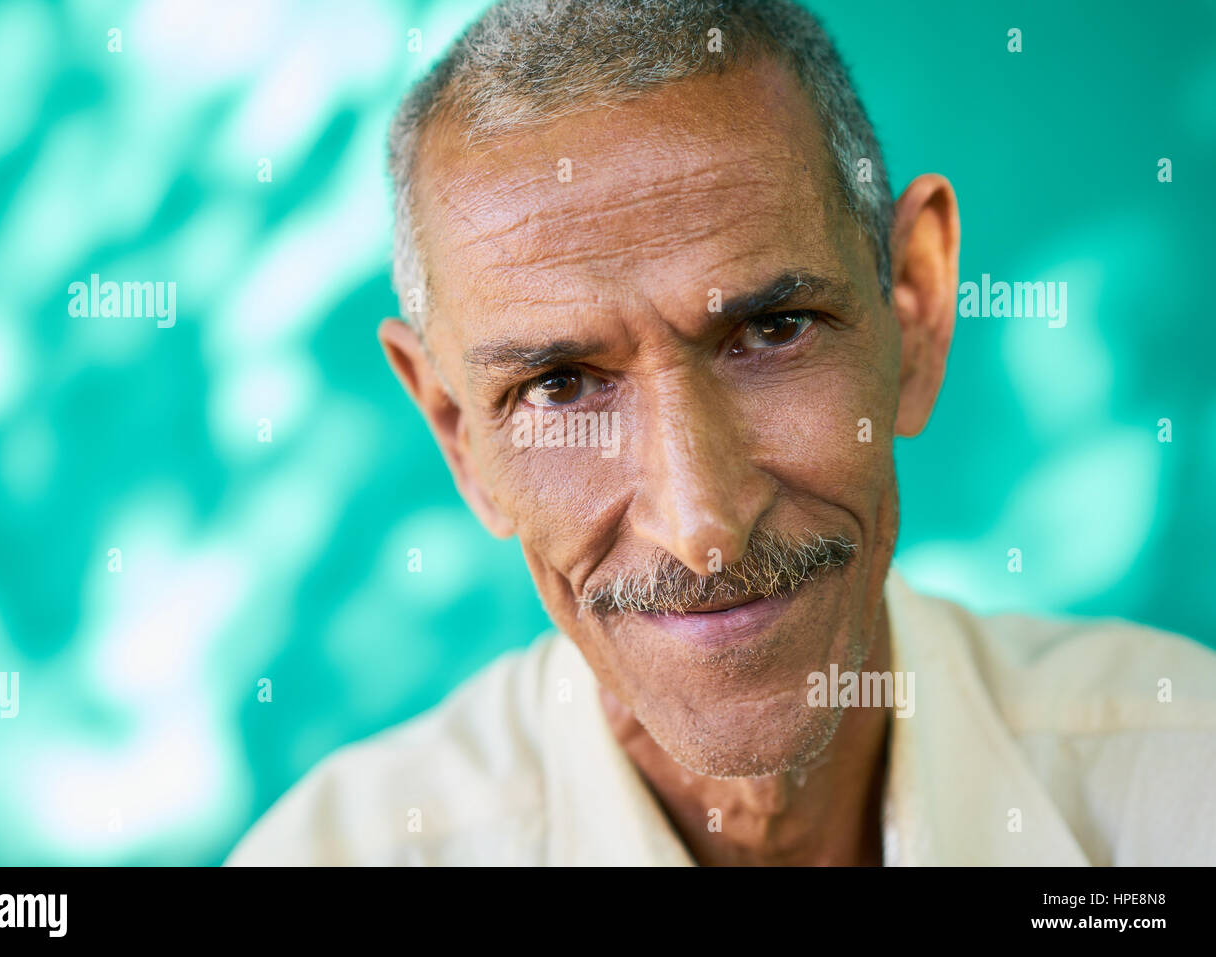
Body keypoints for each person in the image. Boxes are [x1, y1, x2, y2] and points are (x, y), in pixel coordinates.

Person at [227, 0, 1216, 866]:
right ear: (455, 436)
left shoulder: (1182, 788)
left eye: (772, 331)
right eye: (561, 386)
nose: (702, 526)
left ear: (913, 310)